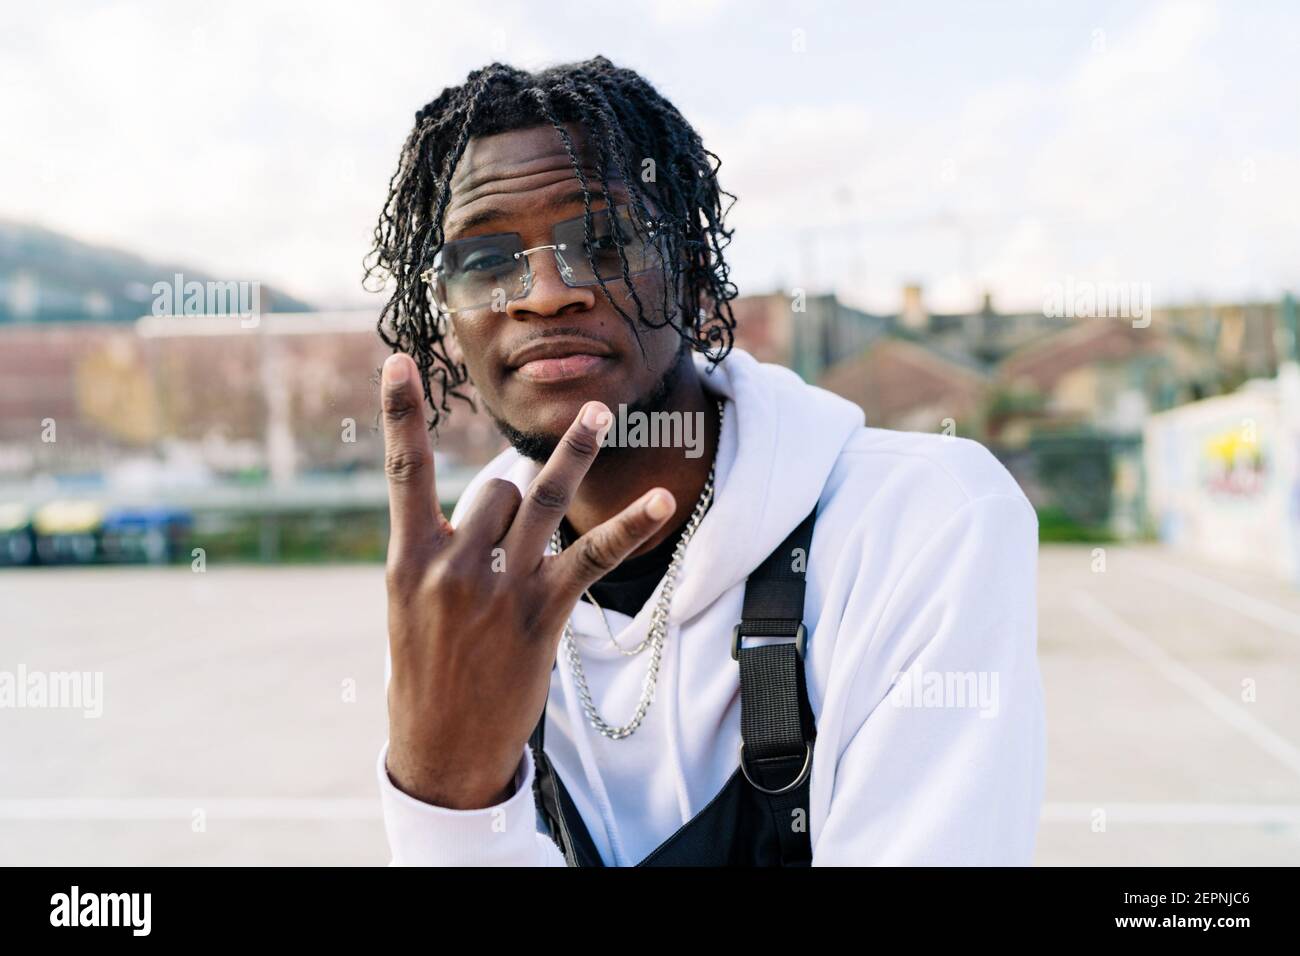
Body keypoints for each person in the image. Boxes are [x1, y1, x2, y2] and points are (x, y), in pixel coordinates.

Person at [366, 57, 1044, 866]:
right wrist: (444, 796)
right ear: (450, 321)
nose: (543, 292)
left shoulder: (920, 522)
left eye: (604, 240)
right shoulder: (457, 597)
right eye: (484, 263)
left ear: (691, 276)